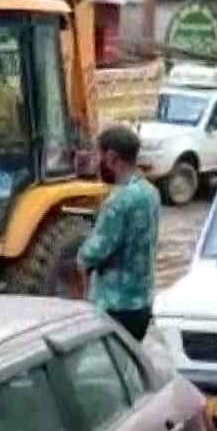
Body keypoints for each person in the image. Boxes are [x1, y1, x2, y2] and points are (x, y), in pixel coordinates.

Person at [77, 124, 158, 340]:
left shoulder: (118, 202)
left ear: (112, 159)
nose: (95, 164)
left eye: (98, 156)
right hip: (142, 302)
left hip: (115, 306)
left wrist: (82, 254)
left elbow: (92, 254)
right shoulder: (151, 193)